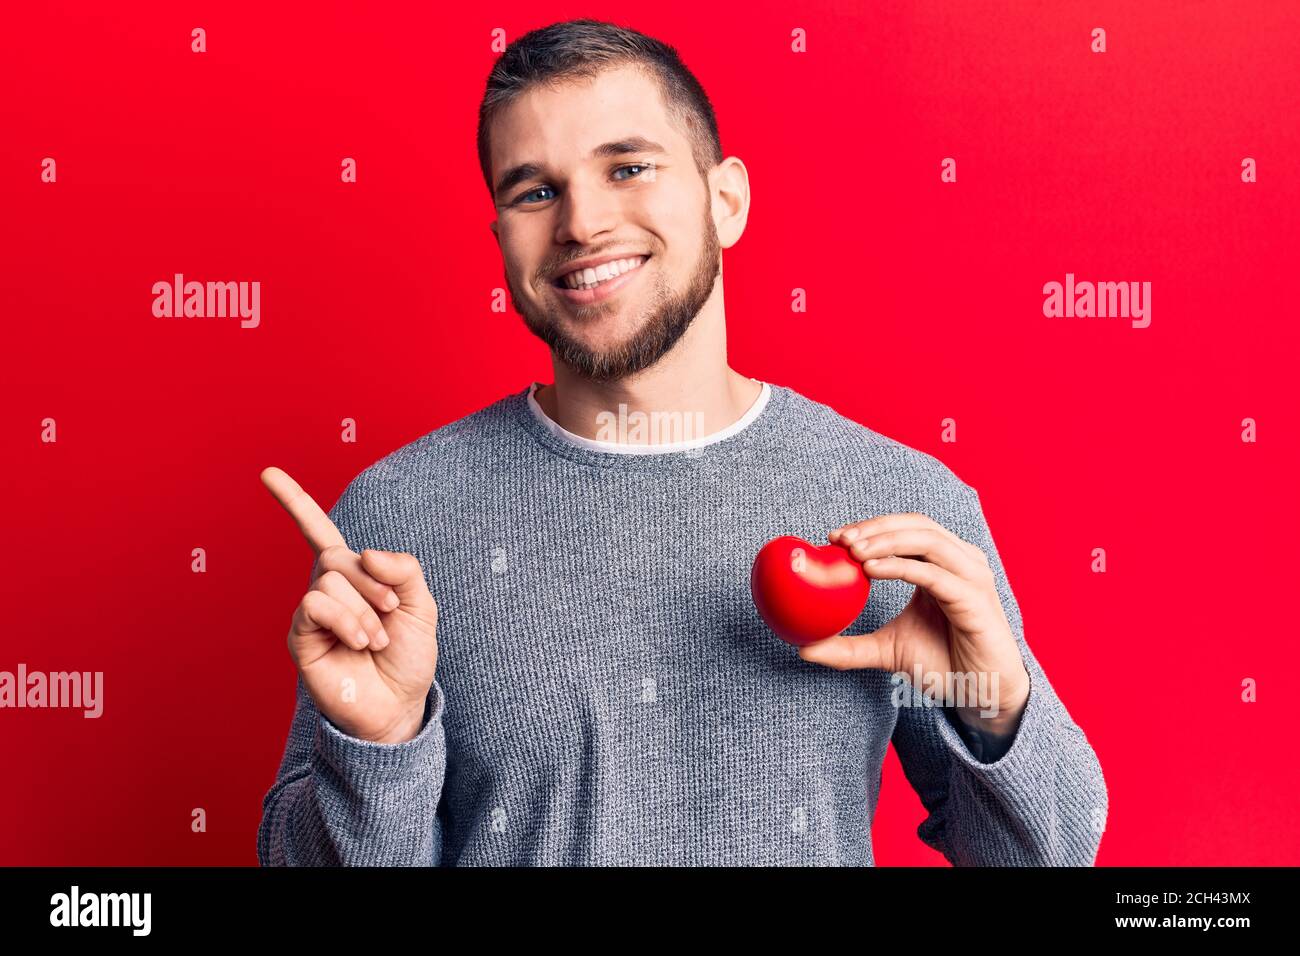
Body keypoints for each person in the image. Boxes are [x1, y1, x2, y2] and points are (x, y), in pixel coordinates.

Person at [257, 18, 1107, 866]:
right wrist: (378, 748)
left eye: (628, 168)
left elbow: (1052, 858)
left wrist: (991, 705)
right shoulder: (397, 517)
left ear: (725, 199)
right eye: (534, 192)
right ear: (502, 241)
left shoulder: (897, 508)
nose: (582, 224)